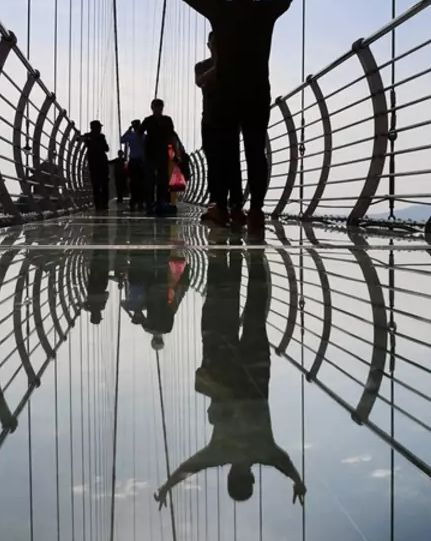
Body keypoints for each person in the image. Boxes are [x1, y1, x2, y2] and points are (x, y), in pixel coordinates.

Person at [155, 0, 308, 232]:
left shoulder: (219, 9)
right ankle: (257, 212)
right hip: (258, 93)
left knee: (229, 153)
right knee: (255, 153)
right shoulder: (265, 10)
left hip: (226, 95)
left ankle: (231, 209)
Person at [153, 247, 306, 507]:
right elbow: (189, 467)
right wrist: (168, 485)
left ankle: (255, 256)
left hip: (256, 369)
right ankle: (229, 252)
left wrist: (297, 481)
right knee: (224, 305)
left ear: (252, 479)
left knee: (256, 309)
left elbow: (286, 465)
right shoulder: (219, 453)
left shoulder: (264, 451)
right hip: (226, 366)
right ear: (229, 477)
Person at [194, 30, 224, 223]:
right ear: (208, 45)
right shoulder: (202, 65)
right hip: (209, 119)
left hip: (229, 118)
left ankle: (227, 204)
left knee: (229, 161)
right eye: (213, 42)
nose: (216, 46)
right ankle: (216, 203)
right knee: (212, 161)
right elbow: (199, 80)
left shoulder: (231, 64)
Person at [140, 99, 180, 217]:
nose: (158, 109)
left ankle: (161, 203)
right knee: (150, 180)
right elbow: (139, 133)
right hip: (150, 153)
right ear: (152, 108)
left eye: (160, 107)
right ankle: (150, 204)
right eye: (156, 107)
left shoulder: (167, 120)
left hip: (163, 153)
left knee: (163, 179)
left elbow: (172, 136)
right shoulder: (148, 120)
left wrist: (174, 152)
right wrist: (143, 147)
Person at [80, 120, 111, 210]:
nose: (101, 128)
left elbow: (78, 139)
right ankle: (104, 204)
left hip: (93, 163)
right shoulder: (101, 137)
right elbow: (106, 148)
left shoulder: (88, 136)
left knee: (96, 185)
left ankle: (97, 204)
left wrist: (88, 140)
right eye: (100, 127)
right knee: (104, 184)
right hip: (102, 162)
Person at [121, 120, 148, 210]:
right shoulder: (144, 137)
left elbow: (121, 139)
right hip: (142, 161)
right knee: (142, 182)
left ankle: (133, 200)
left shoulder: (131, 136)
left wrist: (128, 131)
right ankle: (141, 201)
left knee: (133, 182)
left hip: (133, 162)